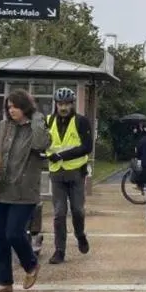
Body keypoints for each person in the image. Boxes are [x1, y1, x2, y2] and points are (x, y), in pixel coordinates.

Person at [0, 89, 49, 292]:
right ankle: (4, 282)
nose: (12, 110)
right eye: (9, 107)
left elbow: (41, 144)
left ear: (25, 107)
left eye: (16, 106)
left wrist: (36, 118)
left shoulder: (37, 127)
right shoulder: (1, 127)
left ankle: (31, 265)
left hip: (24, 191)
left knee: (14, 233)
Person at [45, 87, 92, 265]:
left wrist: (62, 155)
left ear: (72, 104)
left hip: (76, 172)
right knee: (59, 213)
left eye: (66, 104)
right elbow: (42, 143)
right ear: (55, 104)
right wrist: (46, 154)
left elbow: (87, 147)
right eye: (60, 104)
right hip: (57, 173)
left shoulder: (81, 122)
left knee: (78, 210)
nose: (63, 107)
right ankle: (59, 250)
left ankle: (80, 235)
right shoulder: (48, 121)